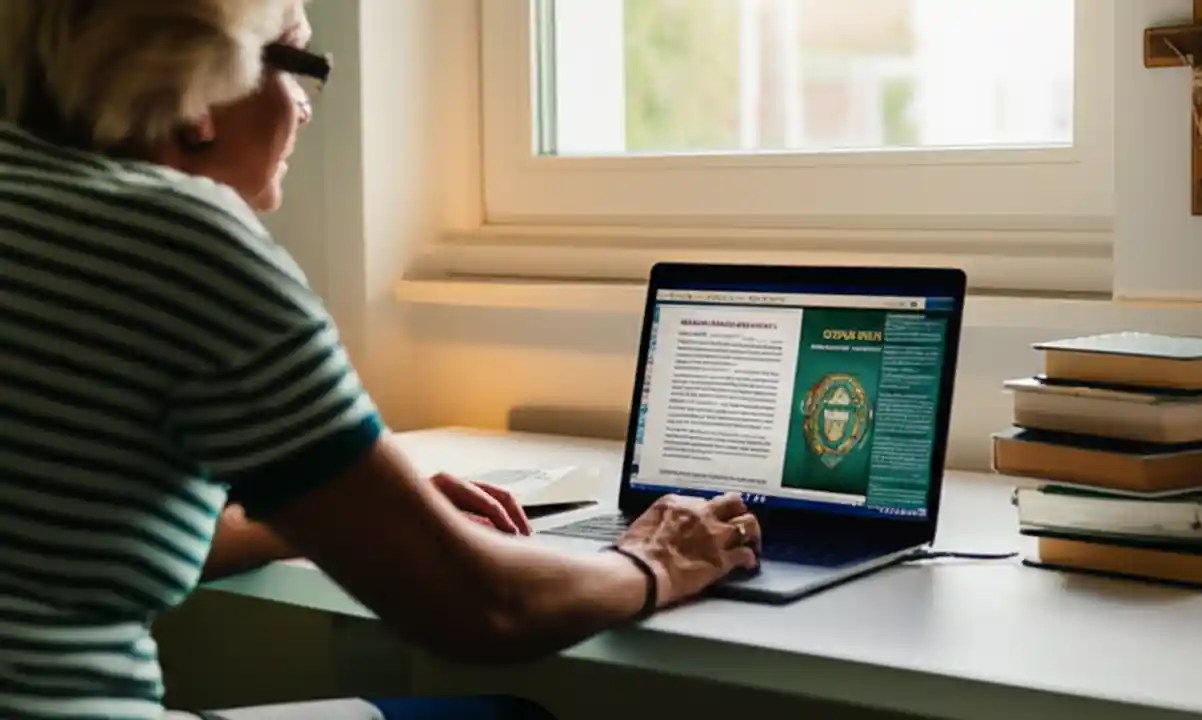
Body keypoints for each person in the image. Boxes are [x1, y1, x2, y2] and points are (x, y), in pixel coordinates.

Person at [0, 1, 763, 719]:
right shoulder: (181, 244)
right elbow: (483, 608)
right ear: (200, 91)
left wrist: (352, 518)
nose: (303, 105)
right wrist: (655, 562)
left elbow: (68, 524)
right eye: (295, 61)